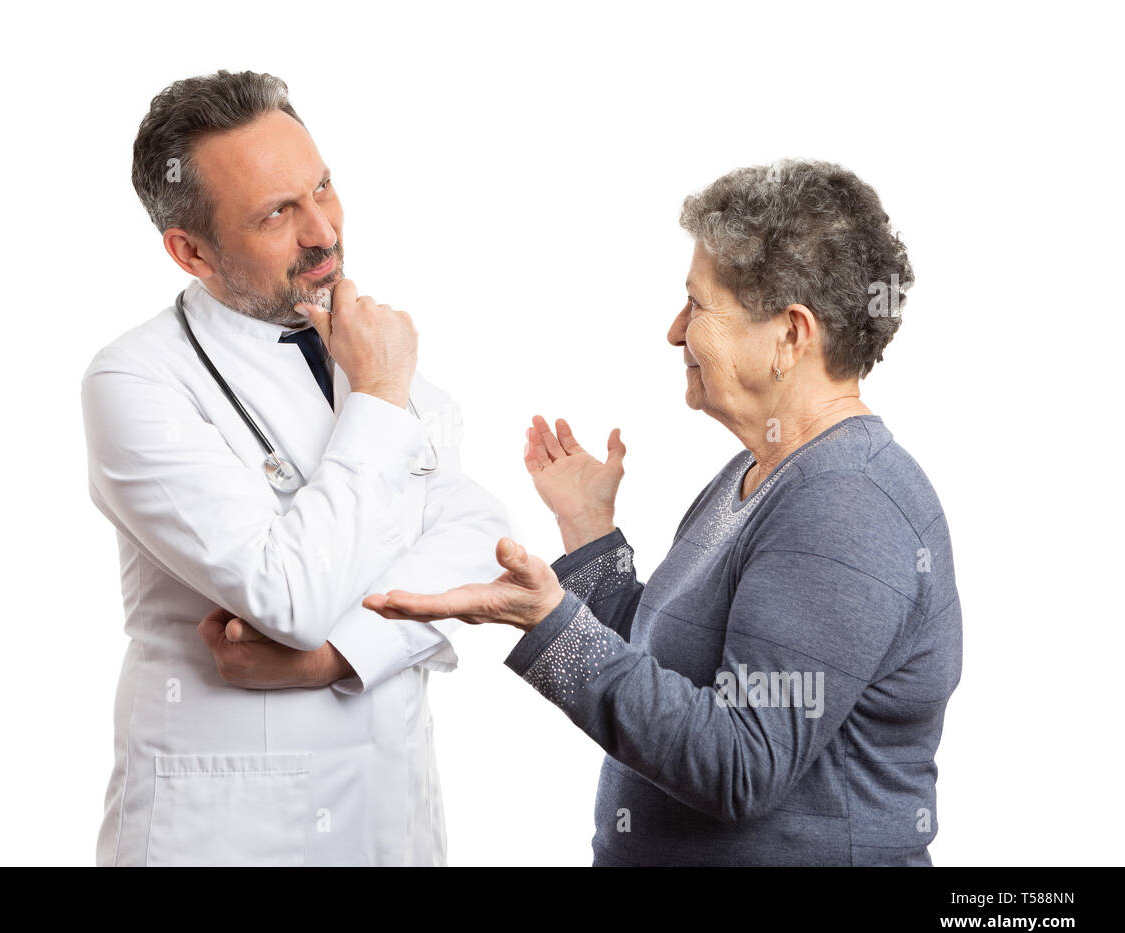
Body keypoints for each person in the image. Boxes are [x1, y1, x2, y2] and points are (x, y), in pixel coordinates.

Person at [364, 160, 963, 866]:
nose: (675, 331)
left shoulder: (848, 503)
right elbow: (669, 672)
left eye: (698, 304)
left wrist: (550, 628)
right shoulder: (759, 470)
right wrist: (589, 533)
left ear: (791, 335)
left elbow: (742, 764)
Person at [81, 70, 511, 866]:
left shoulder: (360, 347)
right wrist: (380, 396)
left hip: (392, 820)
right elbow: (290, 596)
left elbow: (481, 544)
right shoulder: (135, 383)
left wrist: (330, 661)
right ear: (191, 250)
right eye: (278, 213)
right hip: (226, 836)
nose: (324, 231)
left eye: (323, 188)